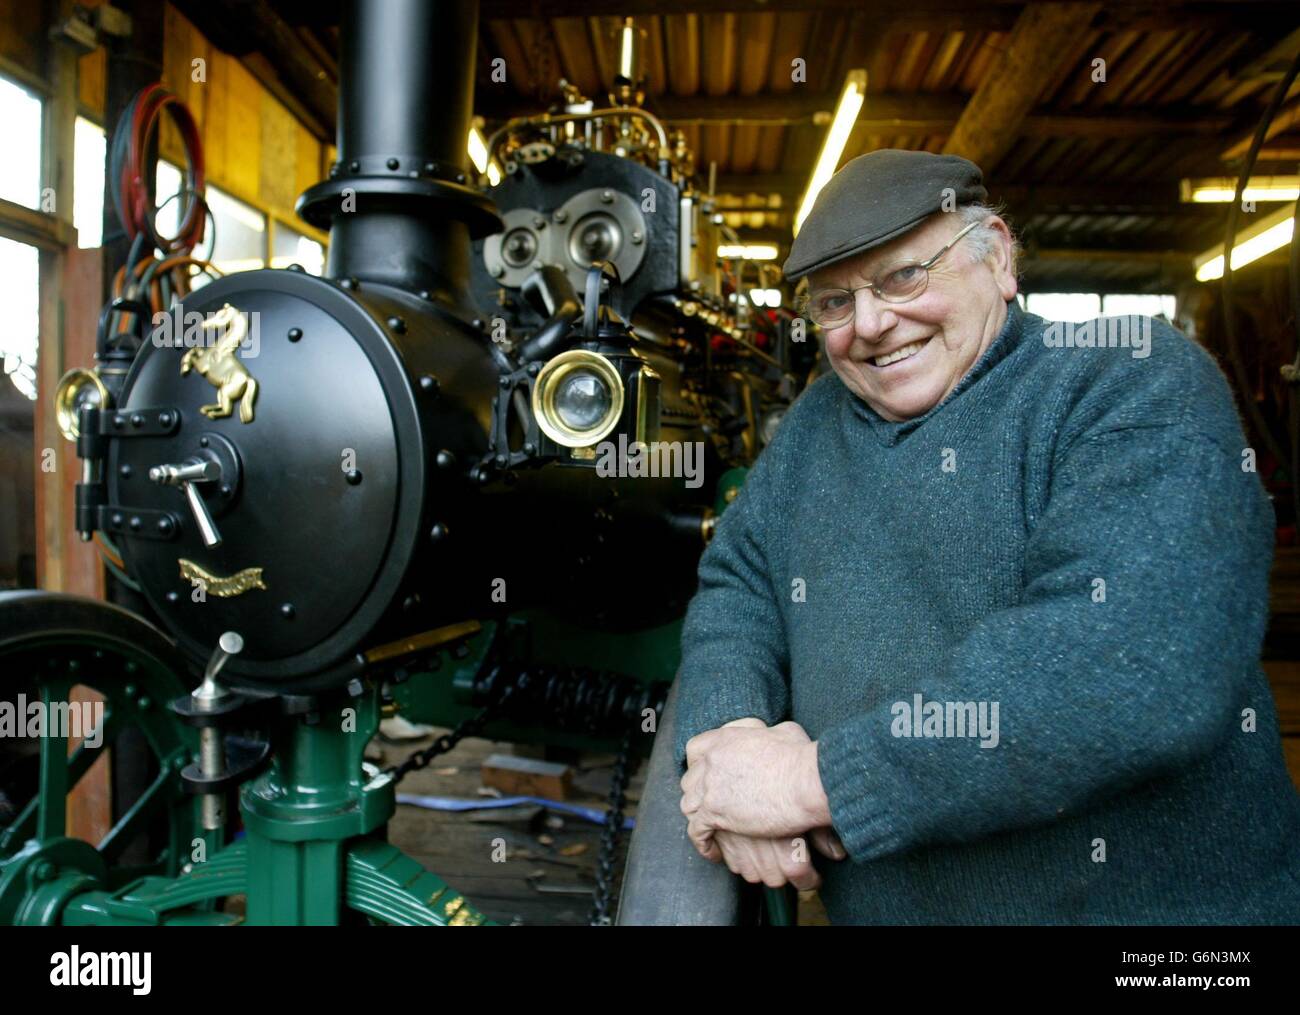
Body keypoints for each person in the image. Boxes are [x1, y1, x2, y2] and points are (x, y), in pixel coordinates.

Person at [672, 148, 1300, 924]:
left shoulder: (1125, 378)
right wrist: (733, 738)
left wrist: (810, 784)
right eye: (835, 302)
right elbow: (737, 582)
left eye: (904, 277)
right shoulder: (813, 427)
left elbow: (1132, 656)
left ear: (999, 257)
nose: (870, 324)